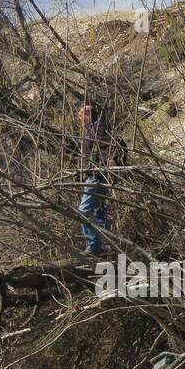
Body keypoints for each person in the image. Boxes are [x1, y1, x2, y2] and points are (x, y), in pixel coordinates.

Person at [77, 102, 123, 257]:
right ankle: (106, 246)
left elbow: (112, 145)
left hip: (96, 177)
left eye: (81, 114)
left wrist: (110, 160)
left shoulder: (97, 128)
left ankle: (94, 244)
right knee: (98, 212)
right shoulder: (91, 130)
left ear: (89, 115)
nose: (79, 117)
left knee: (84, 211)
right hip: (95, 176)